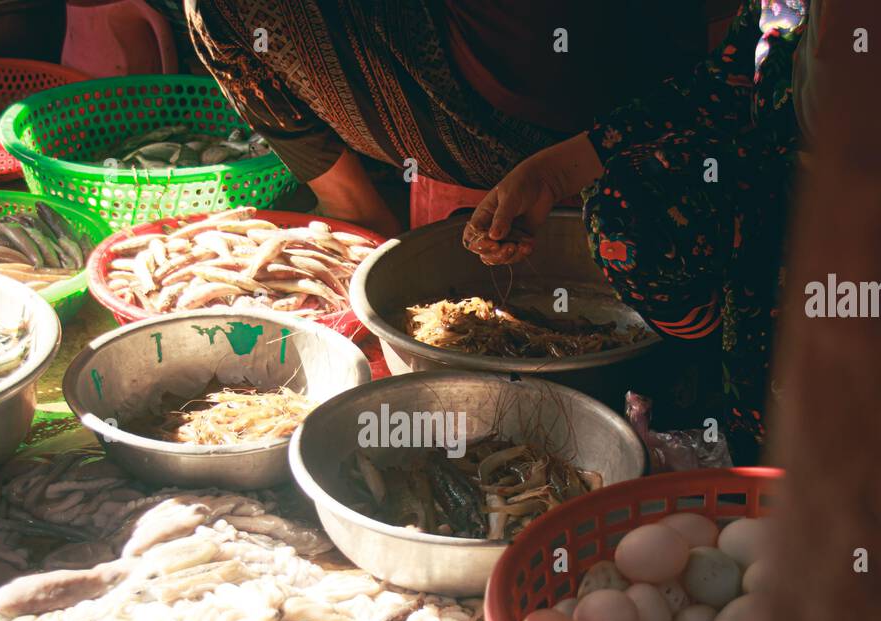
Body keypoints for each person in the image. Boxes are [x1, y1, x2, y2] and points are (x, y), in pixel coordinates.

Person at [465, 0, 809, 463]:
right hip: (777, 206)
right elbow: (724, 85)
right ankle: (718, 366)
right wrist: (552, 175)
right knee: (630, 205)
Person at [184, 0, 705, 237]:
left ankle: (355, 209)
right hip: (606, 115)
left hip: (605, 110)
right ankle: (356, 211)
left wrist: (561, 169)